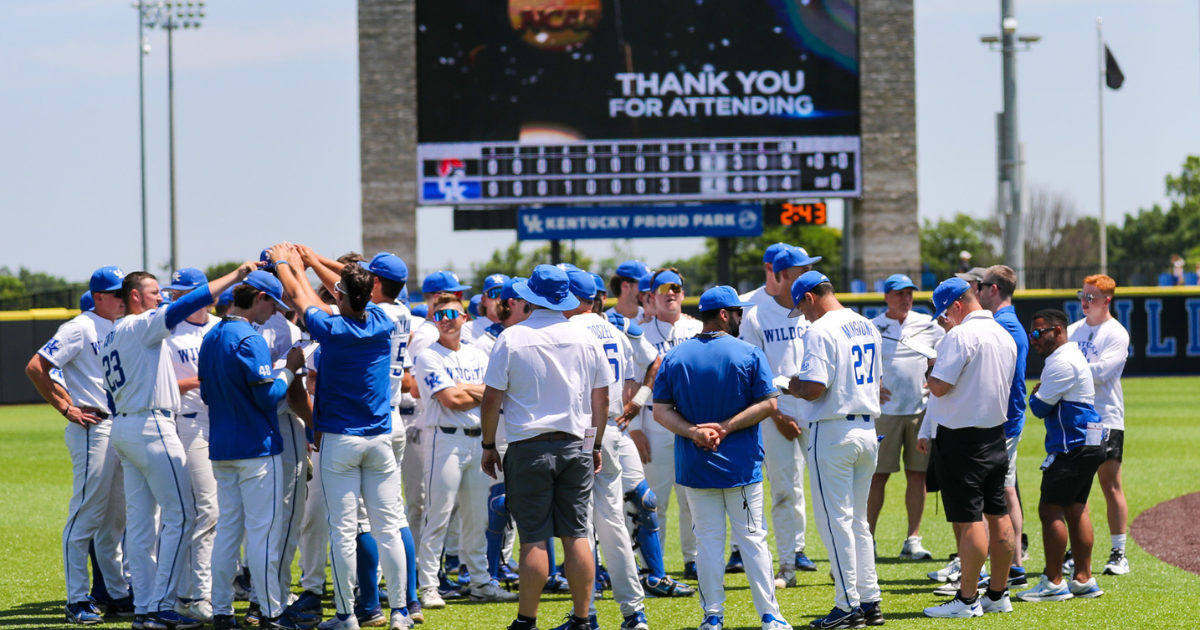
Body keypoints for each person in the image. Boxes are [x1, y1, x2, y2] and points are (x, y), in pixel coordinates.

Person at [102, 262, 257, 629]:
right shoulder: (141, 324)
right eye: (156, 293)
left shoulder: (114, 331)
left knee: (142, 527)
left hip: (126, 425)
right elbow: (190, 304)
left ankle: (144, 608)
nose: (162, 298)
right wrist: (237, 275)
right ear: (135, 297)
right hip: (152, 426)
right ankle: (162, 605)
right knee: (184, 515)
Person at [270, 245, 415, 630]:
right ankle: (401, 612)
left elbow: (302, 297)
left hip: (339, 439)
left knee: (343, 531)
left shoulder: (330, 327)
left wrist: (286, 262)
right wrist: (310, 265)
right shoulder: (386, 319)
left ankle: (347, 615)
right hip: (380, 437)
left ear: (339, 295)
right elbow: (345, 291)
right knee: (388, 528)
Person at [480, 265, 614, 630]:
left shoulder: (511, 337)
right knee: (576, 534)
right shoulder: (586, 338)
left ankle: (527, 620)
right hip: (576, 445)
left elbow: (492, 400)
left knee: (534, 538)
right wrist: (595, 444)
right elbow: (600, 400)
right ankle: (583, 619)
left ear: (528, 297)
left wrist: (489, 444)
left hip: (528, 447)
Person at [653, 285, 791, 630]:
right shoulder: (748, 352)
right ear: (725, 315)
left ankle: (712, 616)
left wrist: (694, 432)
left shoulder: (675, 356)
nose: (743, 318)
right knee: (753, 540)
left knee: (708, 544)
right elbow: (769, 403)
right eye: (738, 312)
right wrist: (726, 428)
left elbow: (659, 411)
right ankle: (770, 616)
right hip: (740, 466)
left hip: (696, 464)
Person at [199, 271, 317, 630]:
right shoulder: (248, 338)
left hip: (222, 445)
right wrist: (289, 370)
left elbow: (206, 394)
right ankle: (270, 613)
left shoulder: (212, 334)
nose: (274, 314)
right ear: (260, 298)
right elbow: (268, 396)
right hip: (256, 446)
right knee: (264, 532)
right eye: (273, 304)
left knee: (229, 532)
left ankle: (221, 611)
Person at [25, 266, 133, 624]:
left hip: (119, 427)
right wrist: (66, 407)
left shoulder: (120, 325)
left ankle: (117, 594)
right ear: (98, 296)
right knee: (86, 516)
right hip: (93, 428)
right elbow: (36, 366)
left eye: (125, 292)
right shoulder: (80, 326)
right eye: (116, 293)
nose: (123, 298)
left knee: (116, 520)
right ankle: (76, 600)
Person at [784, 272, 884, 629]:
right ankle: (870, 600)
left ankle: (847, 606)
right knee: (858, 521)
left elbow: (813, 388)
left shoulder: (821, 328)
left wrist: (792, 385)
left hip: (833, 431)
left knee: (835, 522)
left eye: (802, 307)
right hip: (867, 429)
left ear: (810, 297)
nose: (804, 316)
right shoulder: (867, 324)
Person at [918, 278, 1017, 619]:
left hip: (962, 439)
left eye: (945, 313)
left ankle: (967, 599)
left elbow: (940, 387)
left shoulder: (960, 335)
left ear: (957, 306)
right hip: (994, 435)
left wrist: (929, 371)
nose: (945, 320)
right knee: (998, 512)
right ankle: (998, 593)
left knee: (970, 518)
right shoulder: (1003, 334)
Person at [564, 269, 654, 630]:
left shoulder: (570, 330)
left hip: (588, 432)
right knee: (613, 521)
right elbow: (641, 374)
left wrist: (593, 439)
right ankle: (634, 612)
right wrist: (634, 406)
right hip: (614, 427)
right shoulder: (614, 330)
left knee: (581, 526)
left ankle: (586, 614)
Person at [413, 295, 517, 606]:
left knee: (477, 518)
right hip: (443, 438)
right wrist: (477, 392)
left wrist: (465, 387)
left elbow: (496, 396)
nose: (445, 318)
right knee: (438, 514)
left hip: (477, 438)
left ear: (465, 318)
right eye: (439, 313)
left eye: (452, 313)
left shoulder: (477, 355)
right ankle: (429, 584)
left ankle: (481, 582)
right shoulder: (428, 356)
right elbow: (451, 400)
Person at [738, 247, 819, 589]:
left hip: (817, 408)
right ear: (785, 274)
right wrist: (776, 414)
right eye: (801, 269)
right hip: (779, 408)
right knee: (784, 490)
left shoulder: (814, 310)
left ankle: (835, 562)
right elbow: (753, 373)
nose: (807, 274)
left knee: (827, 488)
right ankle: (787, 564)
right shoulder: (756, 315)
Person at [1014, 309, 1106, 602]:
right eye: (1032, 333)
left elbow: (1039, 408)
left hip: (1072, 446)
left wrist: (1034, 395)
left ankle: (1053, 582)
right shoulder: (1071, 356)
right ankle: (1083, 579)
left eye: (1039, 333)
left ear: (1058, 331)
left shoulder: (1061, 361)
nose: (1034, 340)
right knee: (1076, 509)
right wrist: (1040, 394)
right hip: (1087, 443)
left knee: (1050, 509)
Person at [868, 274, 943, 560]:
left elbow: (944, 354)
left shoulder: (928, 323)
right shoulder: (873, 326)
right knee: (877, 476)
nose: (905, 298)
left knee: (918, 476)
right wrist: (873, 385)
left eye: (909, 293)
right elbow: (862, 360)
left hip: (919, 412)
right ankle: (869, 539)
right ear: (887, 296)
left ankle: (913, 539)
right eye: (899, 293)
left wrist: (935, 374)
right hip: (884, 413)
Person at [634, 269, 702, 576]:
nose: (671, 293)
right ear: (651, 297)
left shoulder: (698, 328)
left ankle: (693, 560)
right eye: (664, 289)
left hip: (692, 421)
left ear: (683, 295)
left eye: (676, 288)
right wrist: (635, 428)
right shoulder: (640, 331)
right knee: (654, 500)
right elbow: (631, 383)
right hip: (654, 421)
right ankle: (654, 566)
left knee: (693, 497)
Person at [163, 268, 221, 623]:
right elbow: (165, 383)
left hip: (224, 424)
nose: (177, 297)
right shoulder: (168, 332)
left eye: (184, 292)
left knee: (222, 511)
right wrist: (202, 379)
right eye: (174, 292)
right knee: (206, 510)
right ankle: (199, 594)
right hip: (188, 424)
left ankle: (199, 590)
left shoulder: (219, 326)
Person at [1067, 274, 1131, 576]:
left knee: (1110, 485)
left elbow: (1103, 372)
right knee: (1077, 487)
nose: (1084, 300)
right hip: (1075, 418)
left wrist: (1070, 369)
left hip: (1106, 418)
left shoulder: (1116, 333)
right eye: (1083, 294)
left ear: (1107, 300)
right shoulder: (1072, 330)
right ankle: (1076, 549)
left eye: (1091, 296)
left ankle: (1119, 552)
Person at [975, 265, 1030, 587]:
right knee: (1005, 491)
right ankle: (1015, 565)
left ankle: (1006, 566)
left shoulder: (1002, 324)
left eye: (981, 285)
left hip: (1001, 418)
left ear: (993, 289)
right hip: (1008, 416)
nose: (977, 291)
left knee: (995, 494)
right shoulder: (1009, 322)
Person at [738, 242, 791, 307]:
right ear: (769, 267)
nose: (790, 270)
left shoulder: (802, 303)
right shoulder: (742, 304)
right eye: (785, 265)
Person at [469, 274, 510, 342]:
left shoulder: (519, 326)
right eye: (493, 293)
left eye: (504, 293)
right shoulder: (470, 328)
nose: (500, 299)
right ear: (484, 300)